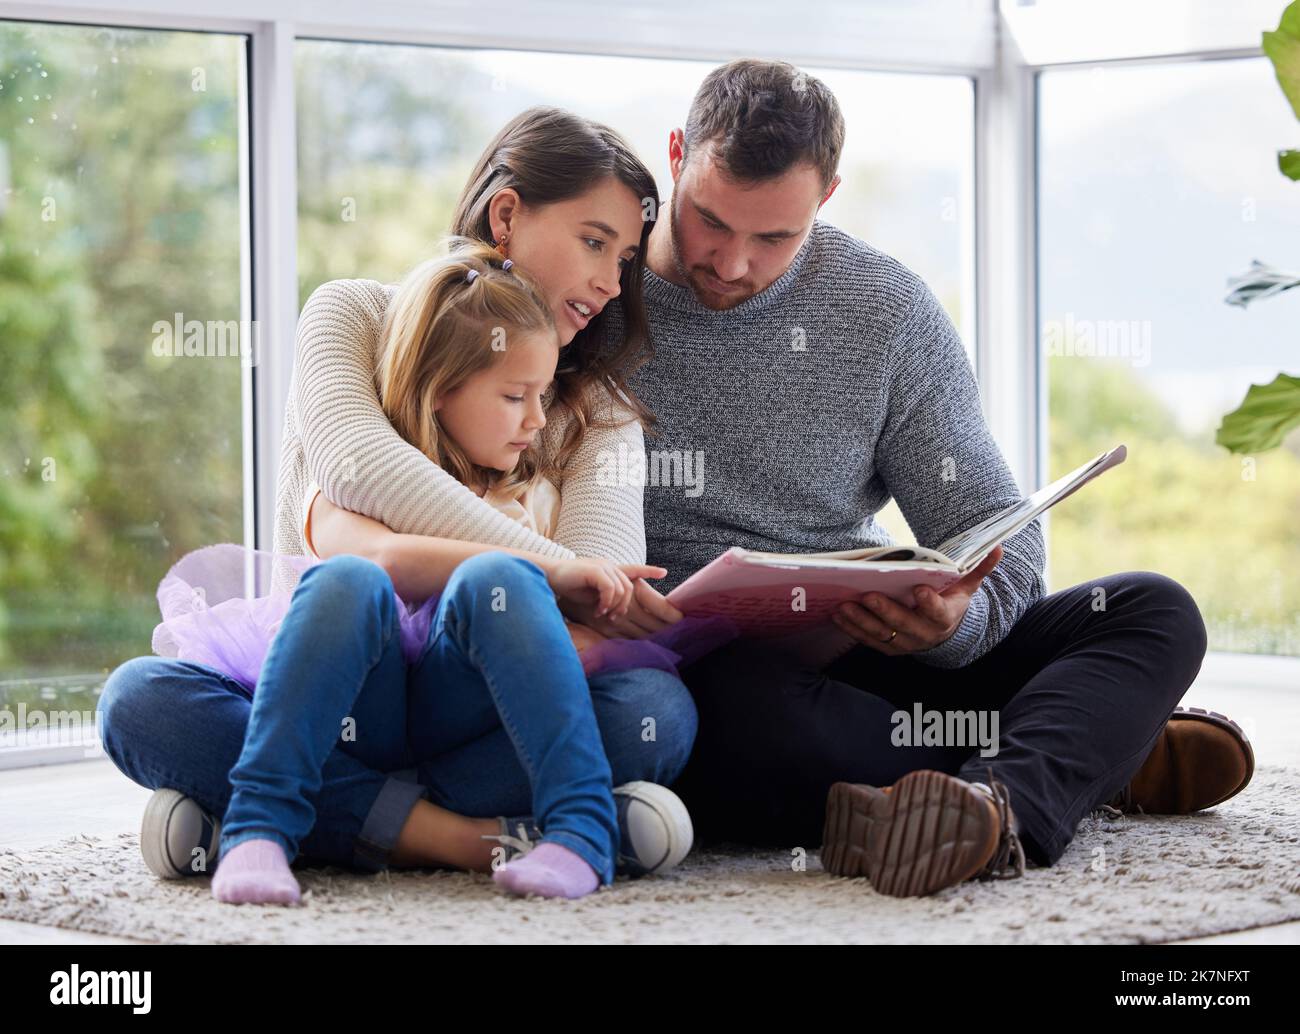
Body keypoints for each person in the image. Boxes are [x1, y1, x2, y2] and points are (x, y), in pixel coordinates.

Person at [99, 109, 703, 893]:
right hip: (331, 695)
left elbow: (598, 610)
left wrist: (561, 589)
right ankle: (466, 837)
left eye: (624, 258)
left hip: (482, 710)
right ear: (508, 214)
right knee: (140, 700)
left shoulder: (604, 413)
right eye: (594, 242)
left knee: (654, 711)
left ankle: (304, 821)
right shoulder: (357, 317)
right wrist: (556, 570)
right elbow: (359, 477)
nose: (610, 281)